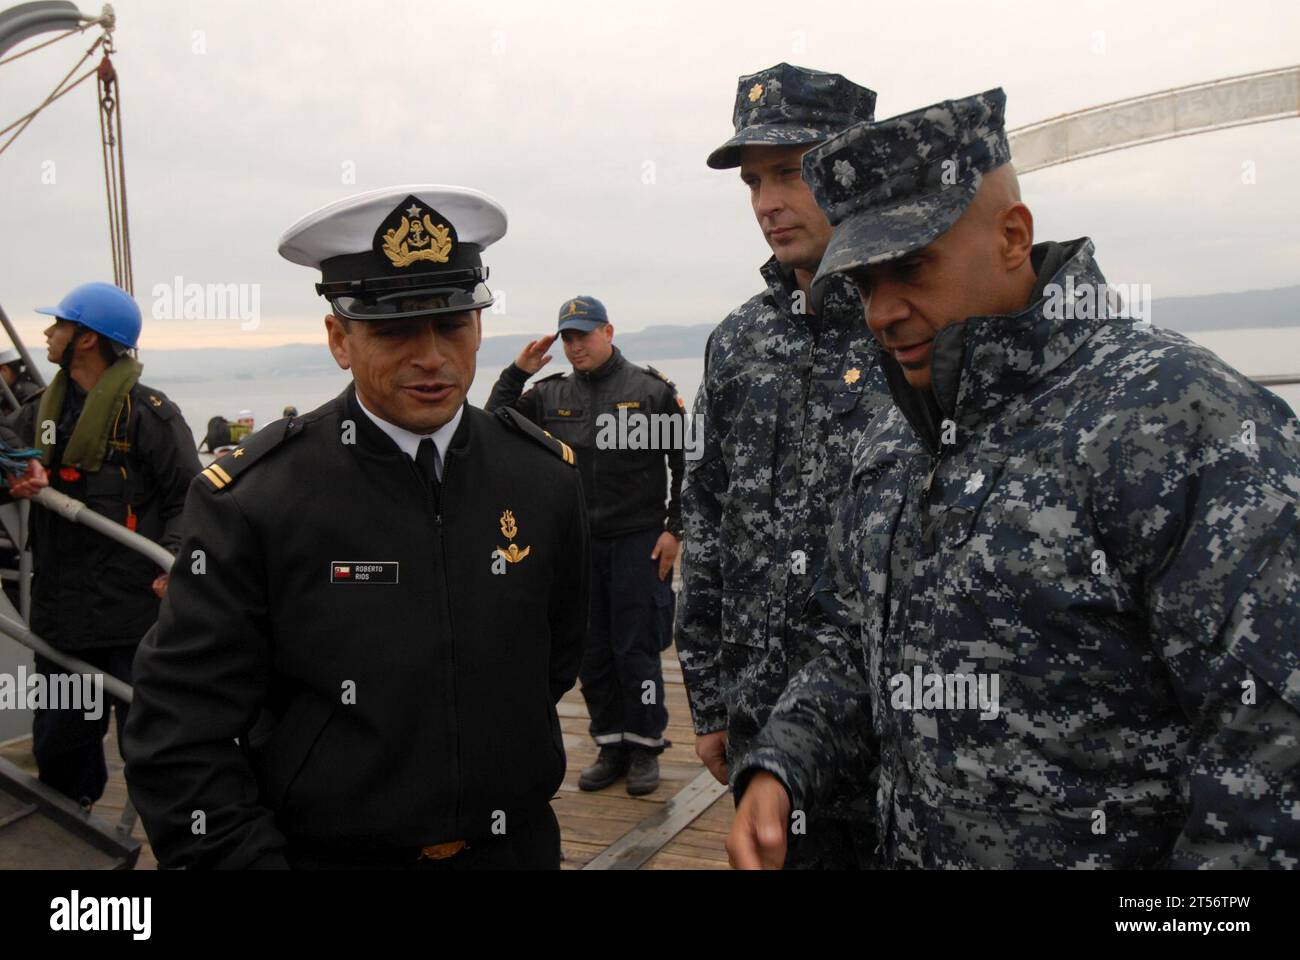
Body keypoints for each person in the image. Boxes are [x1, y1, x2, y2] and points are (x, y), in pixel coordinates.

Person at [729, 89, 1300, 869]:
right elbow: (853, 647)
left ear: (1012, 236)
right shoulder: (894, 436)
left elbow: (1271, 755)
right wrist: (783, 763)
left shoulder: (1183, 423)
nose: (880, 312)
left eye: (909, 268)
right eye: (862, 282)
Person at [124, 185, 589, 870]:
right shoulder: (256, 503)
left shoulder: (544, 481)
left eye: (453, 323)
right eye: (395, 328)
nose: (431, 355)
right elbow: (178, 732)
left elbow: (551, 664)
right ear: (340, 339)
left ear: (479, 328)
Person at [675, 62, 889, 868]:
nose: (767, 203)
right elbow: (706, 517)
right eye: (755, 182)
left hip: (895, 743)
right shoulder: (738, 342)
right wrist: (709, 701)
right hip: (762, 731)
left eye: (792, 173)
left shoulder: (910, 325)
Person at [0, 281, 200, 807]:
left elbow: (189, 497)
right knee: (61, 751)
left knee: (156, 753)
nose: (47, 332)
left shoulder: (150, 414)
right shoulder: (35, 415)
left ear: (86, 340)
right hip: (62, 624)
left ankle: (177, 846)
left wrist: (171, 561)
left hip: (136, 621)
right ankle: (77, 848)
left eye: (59, 324)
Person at [486, 296, 683, 795]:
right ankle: (610, 743)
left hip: (639, 540)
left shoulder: (650, 392)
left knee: (635, 649)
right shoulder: (548, 396)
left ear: (609, 332)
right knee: (590, 651)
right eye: (567, 337)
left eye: (585, 335)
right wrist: (516, 371)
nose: (576, 346)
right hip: (576, 544)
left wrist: (674, 530)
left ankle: (644, 746)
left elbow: (689, 465)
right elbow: (492, 425)